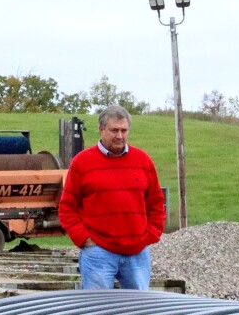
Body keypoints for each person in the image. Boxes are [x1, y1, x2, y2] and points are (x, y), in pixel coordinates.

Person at [57, 104, 166, 290]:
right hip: (98, 253)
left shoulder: (143, 161)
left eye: (124, 130)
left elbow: (156, 203)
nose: (120, 136)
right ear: (101, 130)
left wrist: (150, 235)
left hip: (137, 253)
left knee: (140, 309)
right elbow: (67, 208)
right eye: (114, 130)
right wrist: (85, 240)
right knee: (97, 312)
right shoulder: (82, 163)